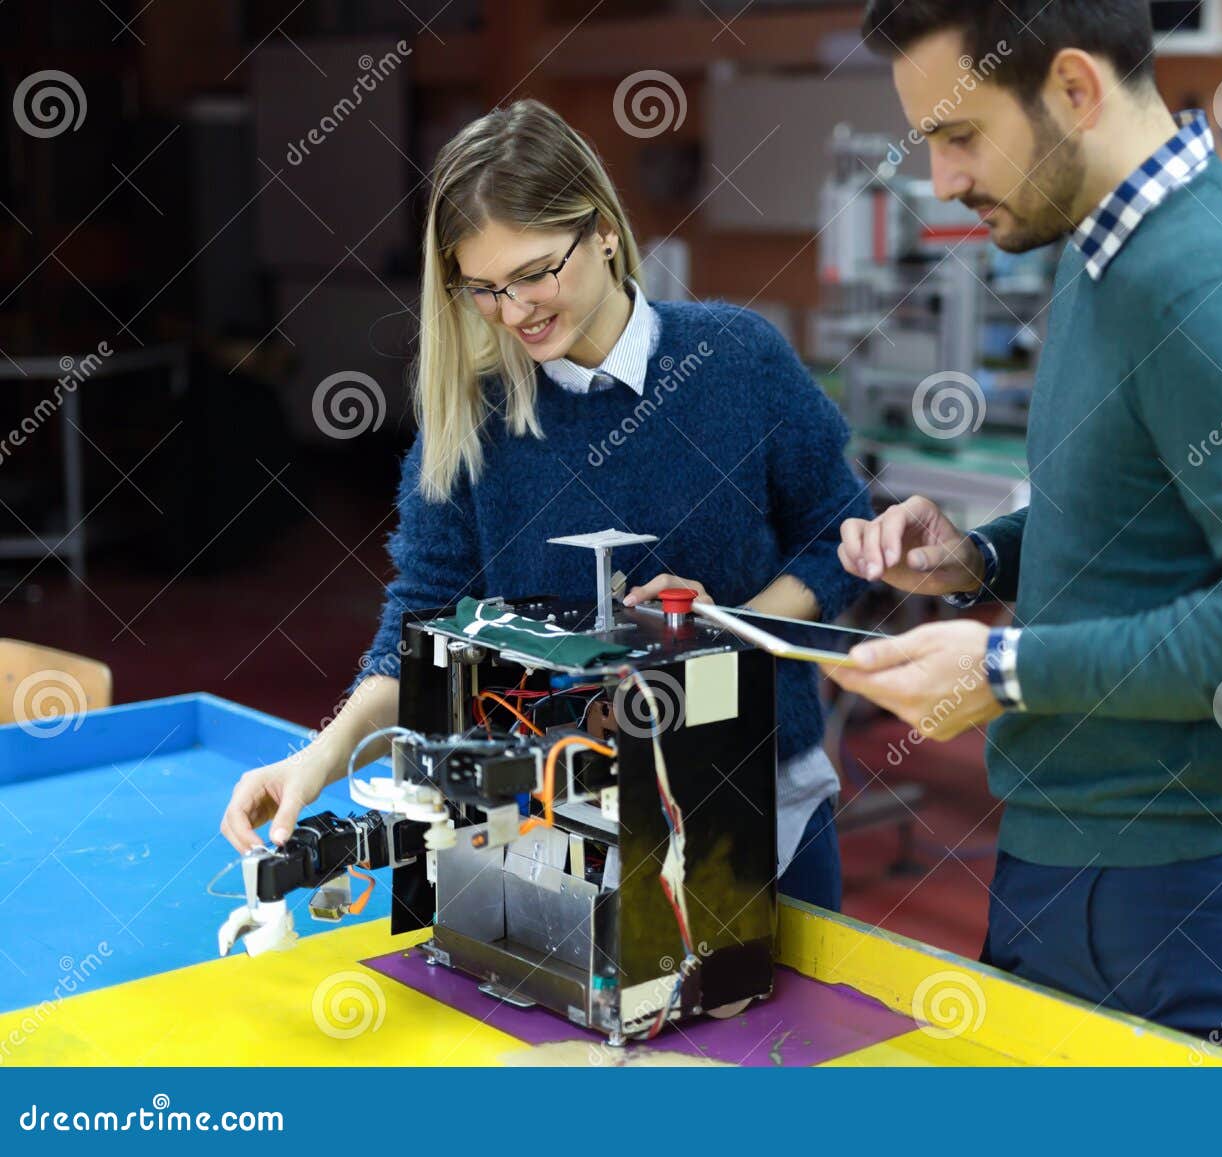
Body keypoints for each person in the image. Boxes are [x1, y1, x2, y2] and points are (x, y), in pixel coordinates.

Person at [831, 0, 1222, 1051]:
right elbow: (1131, 511)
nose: (941, 181)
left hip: (1169, 891)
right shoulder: (1105, 251)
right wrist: (980, 559)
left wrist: (1001, 668)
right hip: (1075, 856)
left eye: (958, 135)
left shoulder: (1201, 278)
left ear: (1074, 91)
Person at [221, 99, 869, 910]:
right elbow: (416, 630)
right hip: (555, 835)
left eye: (534, 273)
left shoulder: (737, 360)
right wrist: (319, 757)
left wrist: (718, 635)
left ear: (600, 229)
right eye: (484, 288)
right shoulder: (472, 418)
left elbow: (836, 536)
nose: (516, 309)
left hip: (762, 814)